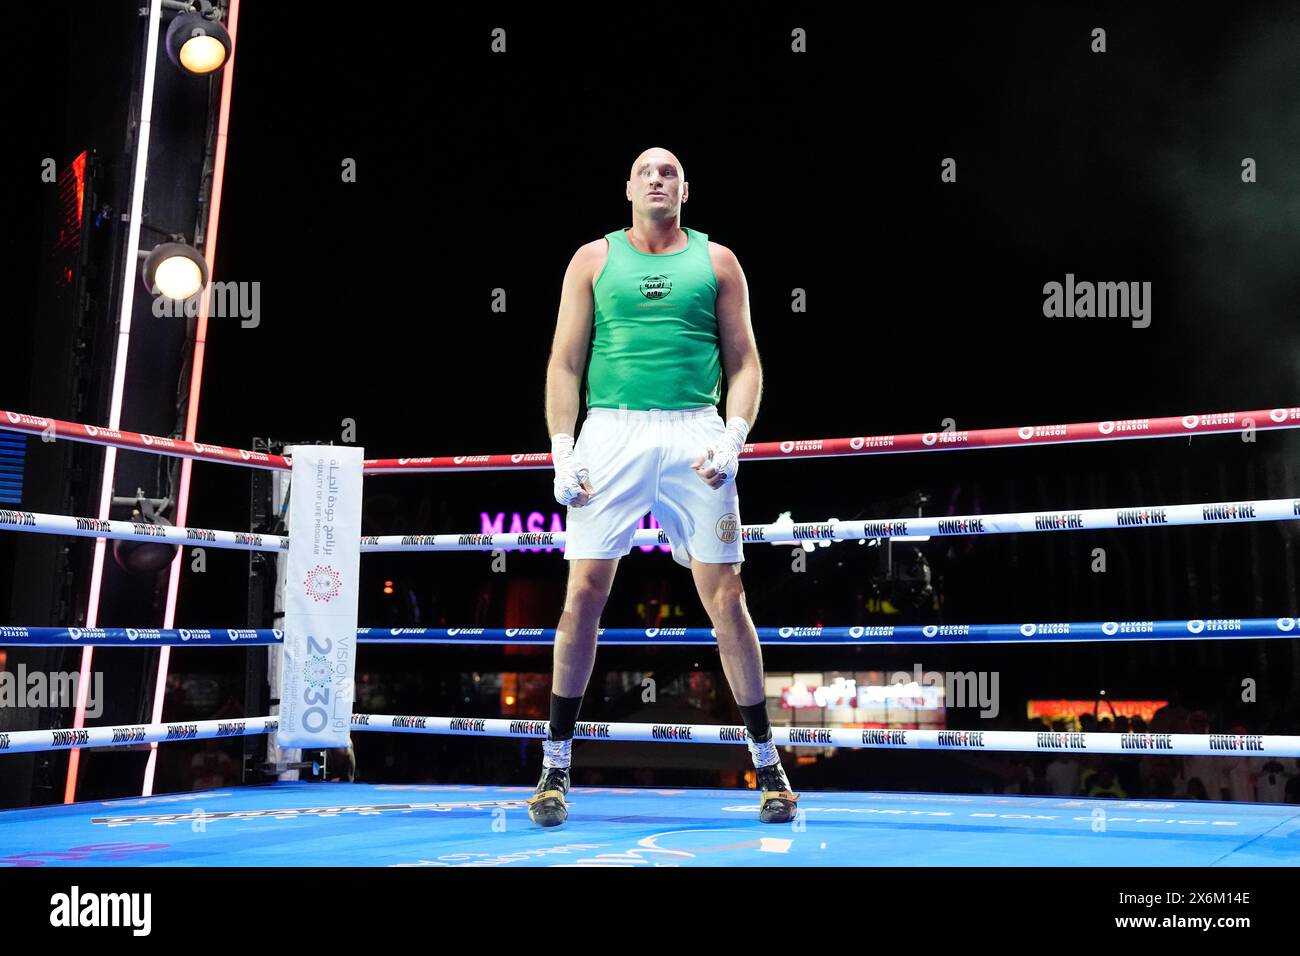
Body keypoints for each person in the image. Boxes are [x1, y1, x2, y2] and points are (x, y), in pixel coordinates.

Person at [531, 146, 797, 827]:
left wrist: (734, 438)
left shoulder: (717, 261)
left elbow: (745, 363)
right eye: (647, 170)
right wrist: (563, 448)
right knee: (584, 591)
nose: (658, 177)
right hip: (610, 430)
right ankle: (554, 767)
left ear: (685, 189)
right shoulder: (592, 259)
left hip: (694, 431)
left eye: (670, 171)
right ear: (627, 187)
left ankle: (768, 763)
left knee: (727, 593)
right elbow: (565, 364)